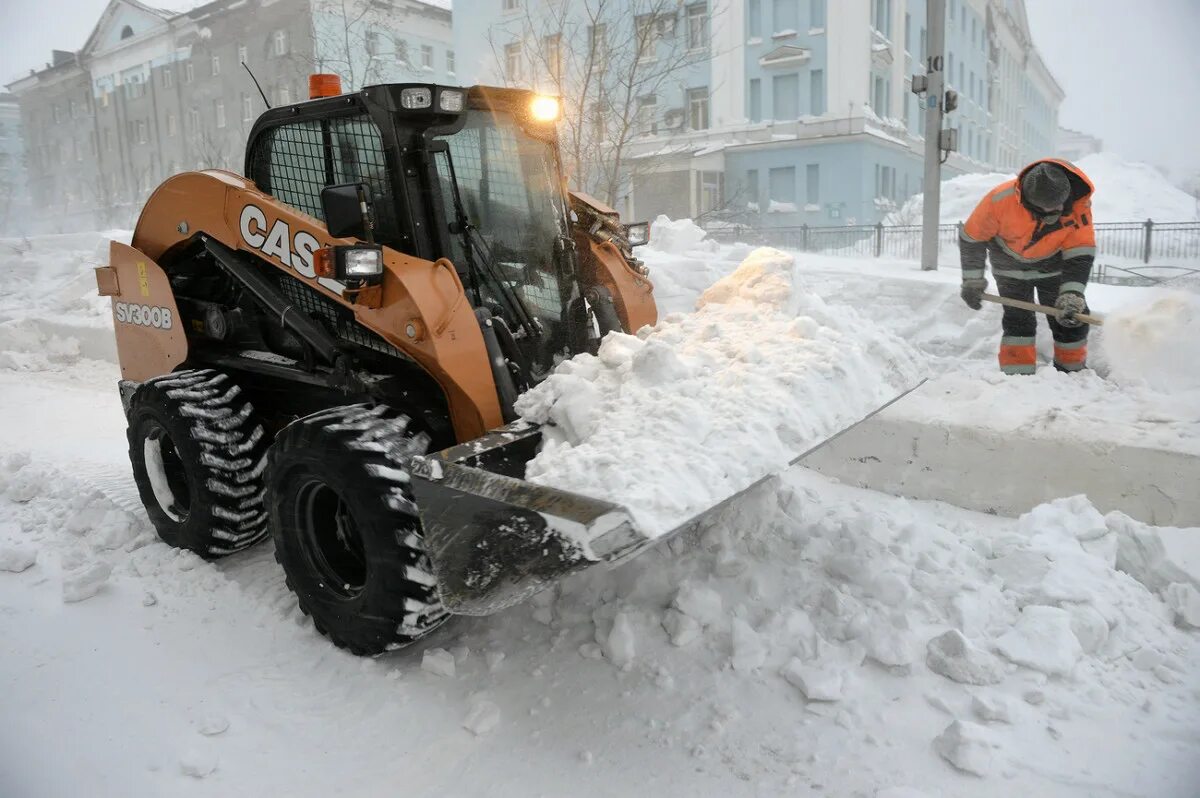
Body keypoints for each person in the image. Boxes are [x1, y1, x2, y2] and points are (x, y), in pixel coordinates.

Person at [958, 159, 1096, 374]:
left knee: (1070, 319)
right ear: (1029, 203)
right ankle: (1017, 376)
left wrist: (1072, 293)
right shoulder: (999, 201)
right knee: (1018, 321)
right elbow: (972, 238)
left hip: (1054, 267)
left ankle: (1073, 373)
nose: (1059, 209)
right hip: (1009, 267)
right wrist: (972, 280)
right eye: (1050, 208)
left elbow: (1080, 251)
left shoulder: (1078, 205)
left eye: (1061, 204)